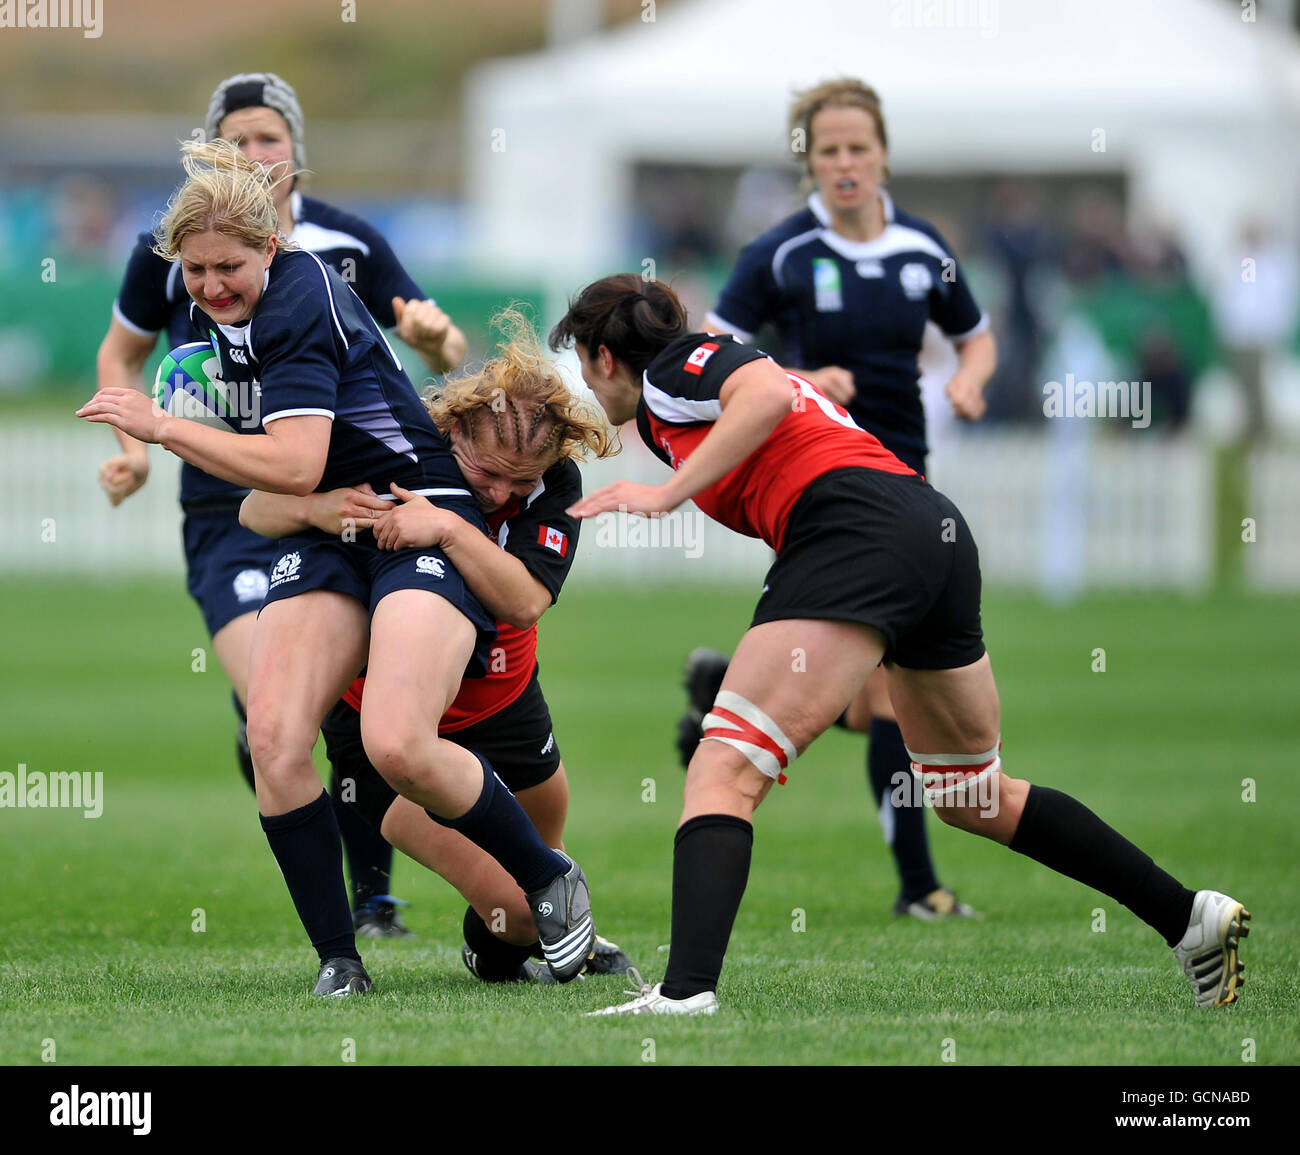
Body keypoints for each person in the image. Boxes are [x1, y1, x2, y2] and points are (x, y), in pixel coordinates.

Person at [550, 274, 1249, 1015]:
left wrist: (665, 494)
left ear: (602, 357)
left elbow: (768, 398)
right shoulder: (697, 375)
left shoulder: (671, 373)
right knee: (972, 793)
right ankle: (1189, 917)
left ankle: (685, 994)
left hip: (855, 531)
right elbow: (780, 400)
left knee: (722, 768)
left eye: (583, 370)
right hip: (928, 532)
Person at [79, 139, 596, 994]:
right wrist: (315, 508)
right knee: (276, 741)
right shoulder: (230, 319)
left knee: (396, 742)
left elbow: (288, 459)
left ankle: (548, 879)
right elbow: (279, 492)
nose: (210, 285)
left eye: (228, 265)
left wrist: (161, 427)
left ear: (270, 249)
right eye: (195, 269)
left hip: (419, 513)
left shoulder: (298, 297)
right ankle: (340, 960)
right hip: (336, 531)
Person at [94, 73, 467, 937]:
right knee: (276, 706)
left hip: (335, 498)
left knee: (337, 707)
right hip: (230, 509)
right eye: (235, 141)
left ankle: (372, 900)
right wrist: (132, 451)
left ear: (295, 149)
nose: (254, 155)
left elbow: (437, 338)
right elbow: (122, 357)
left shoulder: (344, 246)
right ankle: (344, 912)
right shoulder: (177, 245)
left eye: (268, 138)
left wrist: (438, 338)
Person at [677, 78, 996, 921]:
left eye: (858, 148)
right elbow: (714, 347)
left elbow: (978, 334)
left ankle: (727, 695)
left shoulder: (925, 247)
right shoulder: (782, 251)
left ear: (883, 151)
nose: (845, 164)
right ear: (808, 161)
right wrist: (793, 379)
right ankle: (920, 887)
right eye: (828, 152)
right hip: (824, 491)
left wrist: (971, 377)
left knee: (868, 694)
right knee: (892, 695)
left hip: (907, 483)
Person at [239, 316, 632, 981]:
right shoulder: (396, 440)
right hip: (378, 726)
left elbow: (524, 599)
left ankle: (542, 932)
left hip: (504, 700)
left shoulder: (554, 483)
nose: (503, 494)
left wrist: (447, 525)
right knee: (516, 911)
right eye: (488, 475)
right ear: (452, 432)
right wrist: (318, 507)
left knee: (550, 865)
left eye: (520, 481)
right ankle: (498, 940)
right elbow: (255, 508)